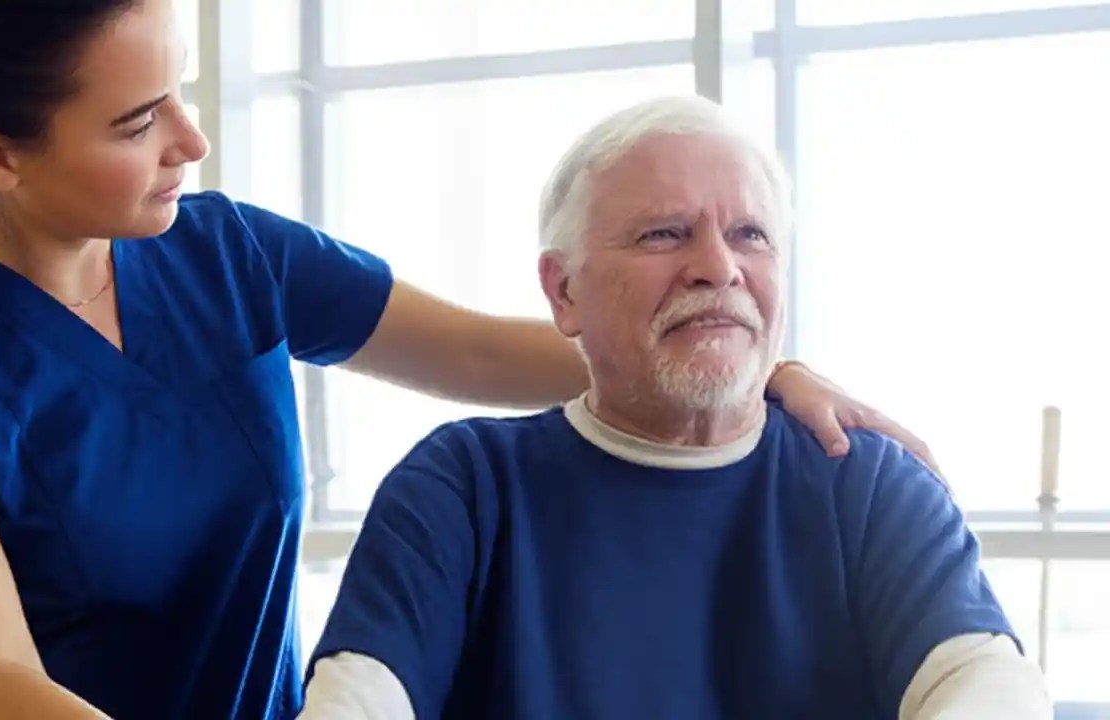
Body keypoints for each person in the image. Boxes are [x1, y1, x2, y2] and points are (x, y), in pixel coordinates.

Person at [0, 2, 936, 719]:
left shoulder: (228, 253)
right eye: (135, 122)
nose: (190, 138)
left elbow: (477, 348)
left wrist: (733, 362)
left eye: (181, 89)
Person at [301, 95, 1052, 719]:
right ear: (565, 291)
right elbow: (359, 698)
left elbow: (985, 682)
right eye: (664, 234)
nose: (718, 268)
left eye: (749, 234)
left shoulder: (865, 480)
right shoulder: (463, 485)